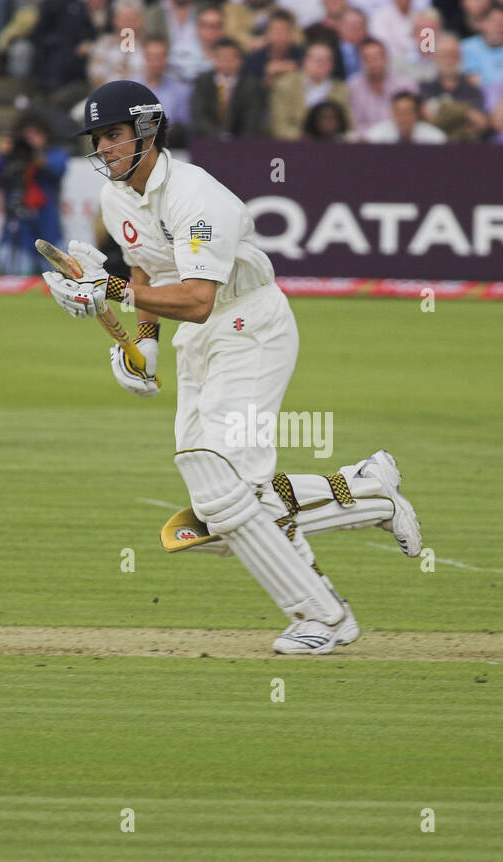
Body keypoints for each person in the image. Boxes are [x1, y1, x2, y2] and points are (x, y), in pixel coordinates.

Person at [42, 80, 423, 656]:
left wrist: (109, 288)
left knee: (224, 493)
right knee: (221, 516)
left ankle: (323, 617)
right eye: (98, 139)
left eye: (114, 135)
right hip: (200, 340)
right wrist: (140, 348)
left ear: (148, 130)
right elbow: (146, 275)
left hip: (250, 327)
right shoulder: (116, 197)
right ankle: (365, 490)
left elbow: (195, 296)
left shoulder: (198, 197)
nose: (104, 148)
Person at [0, 111, 68, 275]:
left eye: (36, 134)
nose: (31, 139)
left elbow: (58, 168)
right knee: (13, 282)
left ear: (46, 136)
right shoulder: (11, 159)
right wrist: (1, 156)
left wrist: (36, 156)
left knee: (62, 283)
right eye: (26, 135)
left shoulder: (53, 155)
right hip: (17, 236)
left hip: (50, 235)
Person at [190, 36, 269, 138]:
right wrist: (218, 137)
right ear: (214, 59)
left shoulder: (251, 85)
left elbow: (252, 119)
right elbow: (198, 116)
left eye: (230, 58)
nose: (226, 63)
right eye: (221, 58)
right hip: (209, 141)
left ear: (240, 61)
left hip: (242, 144)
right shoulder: (203, 82)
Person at [269, 41, 349, 139]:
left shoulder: (341, 89)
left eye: (326, 60)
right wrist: (303, 138)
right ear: (305, 61)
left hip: (333, 145)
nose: (320, 64)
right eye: (316, 59)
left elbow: (348, 124)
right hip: (293, 145)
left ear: (332, 64)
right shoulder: (284, 85)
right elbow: (279, 125)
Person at [364, 88, 448, 139]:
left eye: (408, 112)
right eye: (399, 112)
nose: (404, 118)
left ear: (416, 114)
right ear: (392, 113)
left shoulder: (434, 138)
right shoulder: (375, 136)